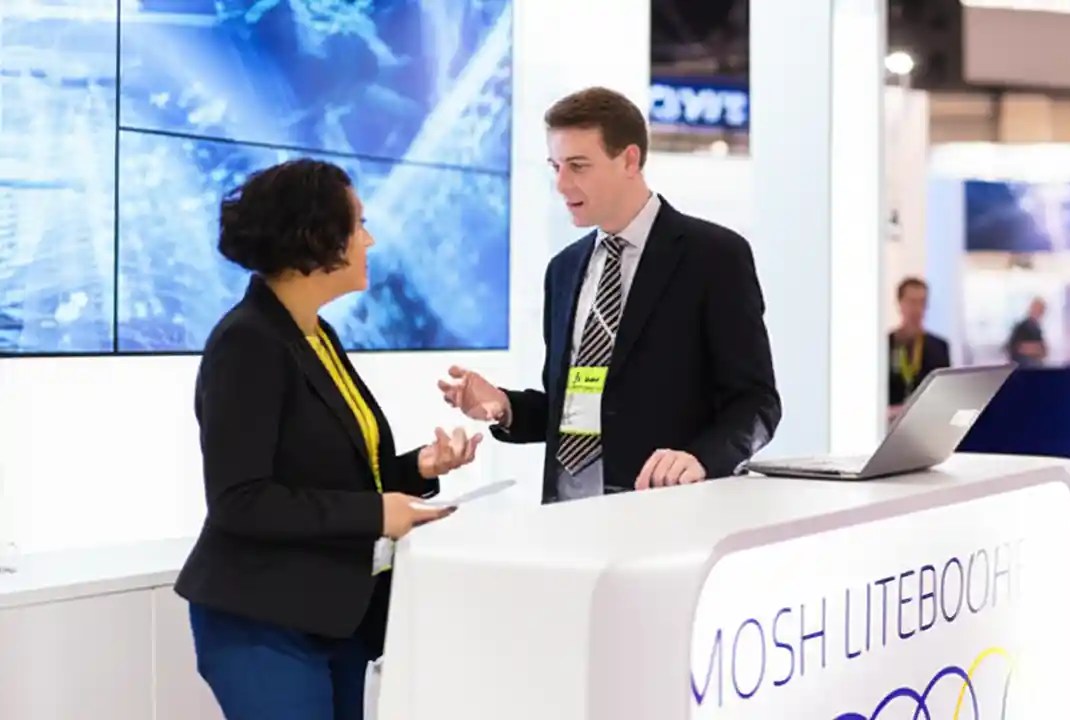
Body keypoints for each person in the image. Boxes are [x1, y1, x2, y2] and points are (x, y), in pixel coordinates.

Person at [174, 158, 481, 720]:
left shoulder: (315, 334)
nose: (369, 238)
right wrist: (374, 515)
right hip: (261, 618)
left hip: (330, 616)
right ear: (315, 235)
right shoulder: (248, 342)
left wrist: (421, 468)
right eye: (358, 223)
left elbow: (340, 474)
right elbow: (241, 500)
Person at [439, 86, 781, 502]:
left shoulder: (712, 256)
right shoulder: (563, 269)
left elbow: (756, 403)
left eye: (578, 166)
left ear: (630, 160)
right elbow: (576, 407)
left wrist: (702, 458)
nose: (562, 185)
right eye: (556, 166)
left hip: (666, 508)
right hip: (567, 512)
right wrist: (504, 406)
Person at [887, 277, 950, 419]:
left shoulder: (939, 347)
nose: (917, 309)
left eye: (922, 302)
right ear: (900, 303)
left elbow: (945, 393)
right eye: (912, 302)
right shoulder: (886, 345)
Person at [1006, 297, 1047, 366]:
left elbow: (1044, 351)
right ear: (1031, 309)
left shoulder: (1037, 329)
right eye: (1037, 309)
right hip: (1022, 365)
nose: (1039, 313)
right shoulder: (1021, 326)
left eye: (1041, 310)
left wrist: (1036, 349)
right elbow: (1015, 347)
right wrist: (1034, 349)